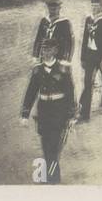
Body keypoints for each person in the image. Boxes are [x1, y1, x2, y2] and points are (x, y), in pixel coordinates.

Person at [21, 39, 76, 184]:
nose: (45, 53)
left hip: (59, 113)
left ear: (55, 51)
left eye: (48, 49)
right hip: (43, 113)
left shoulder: (63, 69)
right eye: (43, 50)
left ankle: (53, 180)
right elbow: (30, 93)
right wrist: (25, 114)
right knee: (46, 147)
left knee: (54, 147)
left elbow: (70, 94)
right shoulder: (37, 70)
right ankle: (50, 177)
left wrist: (71, 116)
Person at [77, 0, 102, 122]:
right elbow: (85, 39)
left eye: (96, 5)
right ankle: (84, 114)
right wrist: (82, 58)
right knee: (87, 83)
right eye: (92, 5)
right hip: (90, 55)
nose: (94, 7)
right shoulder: (89, 19)